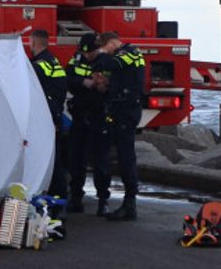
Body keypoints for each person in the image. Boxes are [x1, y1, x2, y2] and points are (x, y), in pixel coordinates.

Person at [91, 31, 147, 220]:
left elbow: (113, 64)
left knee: (126, 158)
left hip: (127, 110)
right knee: (120, 158)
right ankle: (128, 203)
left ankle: (130, 204)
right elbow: (117, 75)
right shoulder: (121, 57)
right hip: (119, 110)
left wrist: (103, 53)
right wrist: (104, 83)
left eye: (105, 46)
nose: (105, 51)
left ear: (112, 42)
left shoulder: (130, 52)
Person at [65, 33, 110, 215]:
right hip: (80, 114)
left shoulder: (106, 62)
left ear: (97, 49)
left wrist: (101, 85)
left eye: (89, 53)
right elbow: (67, 78)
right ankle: (76, 199)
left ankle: (103, 201)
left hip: (98, 115)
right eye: (83, 52)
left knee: (101, 161)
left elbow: (109, 85)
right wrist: (84, 82)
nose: (86, 56)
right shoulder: (76, 59)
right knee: (76, 159)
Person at [27, 29, 68, 202]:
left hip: (46, 117)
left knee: (49, 161)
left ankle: (54, 199)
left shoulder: (38, 66)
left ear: (34, 43)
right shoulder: (53, 61)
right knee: (55, 159)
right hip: (54, 114)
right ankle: (59, 199)